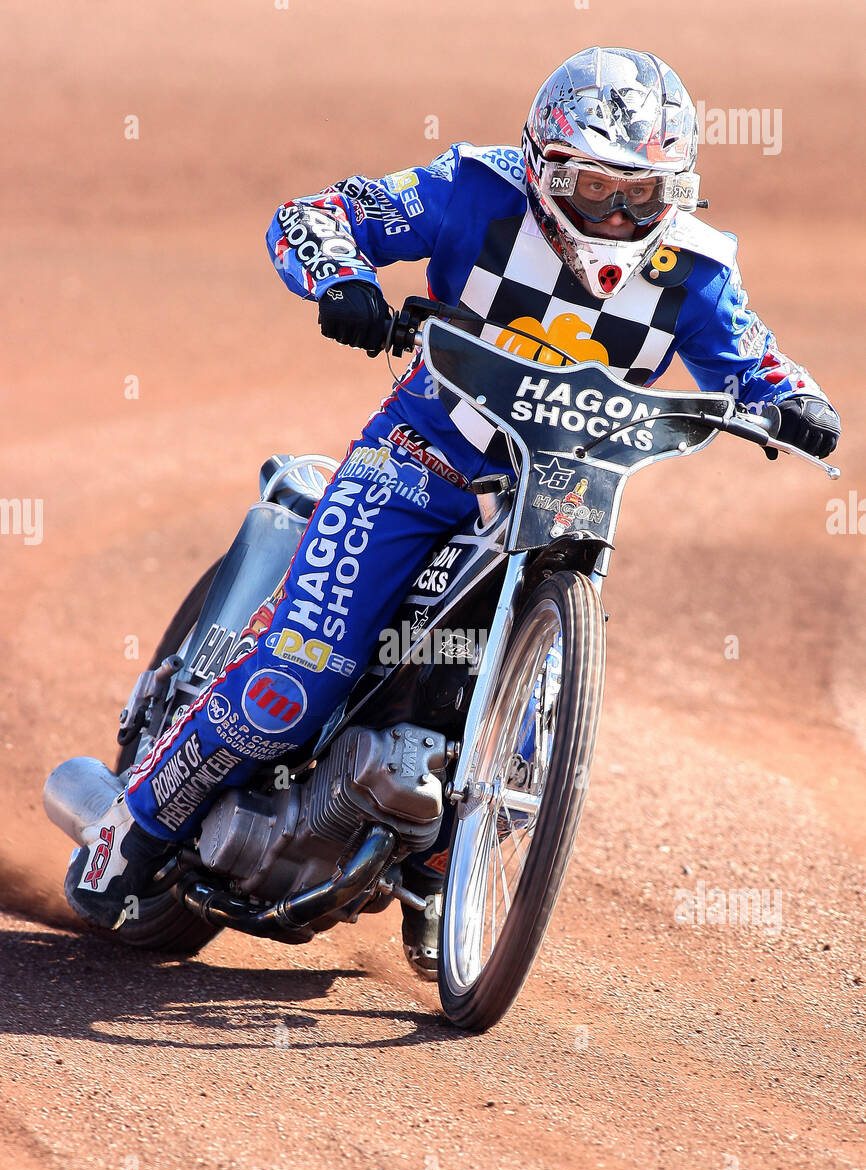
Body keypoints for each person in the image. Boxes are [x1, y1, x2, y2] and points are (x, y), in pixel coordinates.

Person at [64, 46, 840, 976]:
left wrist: (799, 402)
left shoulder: (697, 271)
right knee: (294, 683)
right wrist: (343, 281)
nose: (622, 214)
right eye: (597, 189)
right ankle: (133, 829)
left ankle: (439, 871)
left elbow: (754, 361)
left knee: (516, 705)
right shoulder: (473, 187)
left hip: (560, 494)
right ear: (546, 168)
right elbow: (316, 215)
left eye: (647, 192)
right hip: (418, 462)